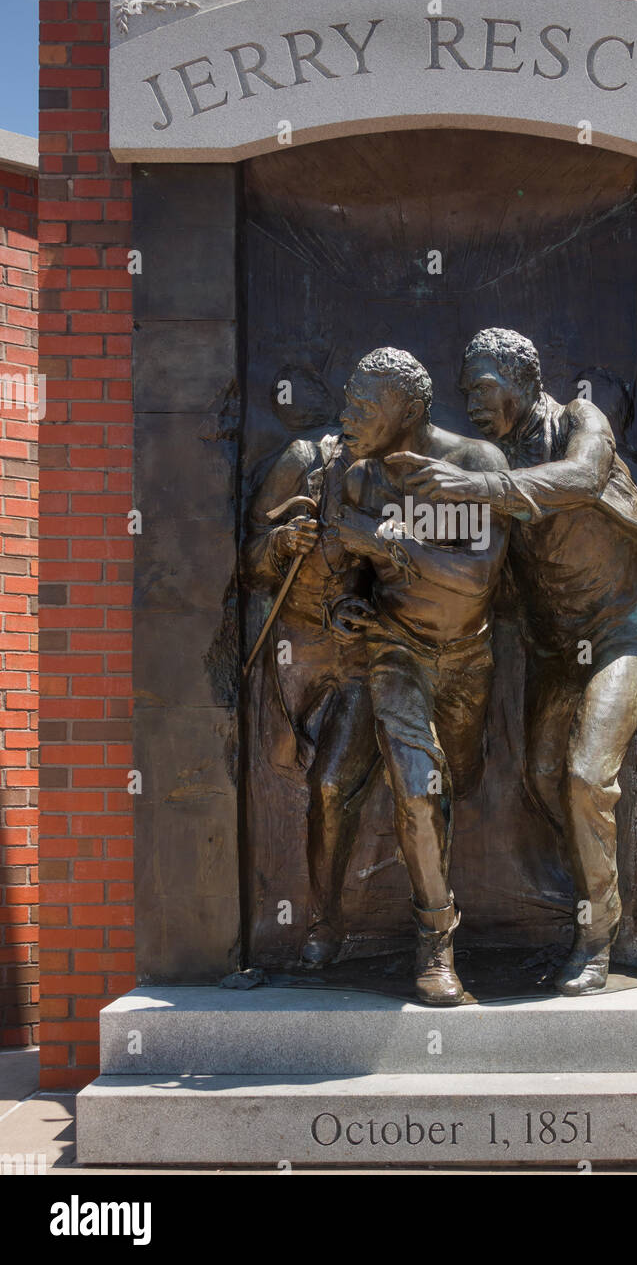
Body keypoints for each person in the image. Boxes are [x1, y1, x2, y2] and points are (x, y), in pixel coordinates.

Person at [397, 328, 637, 996]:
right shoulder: (485, 454)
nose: (473, 401)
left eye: (483, 387)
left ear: (522, 378)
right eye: (466, 392)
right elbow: (462, 537)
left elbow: (578, 479)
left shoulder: (579, 418)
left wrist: (480, 485)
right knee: (549, 782)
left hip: (621, 633)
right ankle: (589, 889)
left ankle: (597, 939)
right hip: (553, 650)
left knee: (582, 777)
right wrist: (393, 538)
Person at [335, 347, 509, 1005]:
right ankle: (436, 948)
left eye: (363, 406)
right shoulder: (358, 480)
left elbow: (477, 575)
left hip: (467, 653)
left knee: (454, 782)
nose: (348, 417)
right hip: (394, 649)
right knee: (416, 790)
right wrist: (351, 600)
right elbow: (355, 577)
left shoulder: (475, 465)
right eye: (347, 401)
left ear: (407, 410)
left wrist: (386, 540)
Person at [242, 382, 379, 970]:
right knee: (279, 766)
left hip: (360, 654)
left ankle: (326, 923)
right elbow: (245, 559)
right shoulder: (301, 462)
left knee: (330, 784)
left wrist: (367, 607)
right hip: (294, 647)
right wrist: (278, 544)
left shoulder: (398, 477)